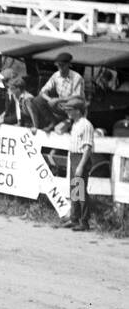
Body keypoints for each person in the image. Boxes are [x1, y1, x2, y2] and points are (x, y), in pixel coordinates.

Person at [62, 98, 96, 232]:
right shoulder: (75, 123)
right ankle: (74, 218)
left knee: (80, 189)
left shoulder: (85, 125)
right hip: (74, 156)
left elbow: (87, 147)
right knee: (74, 189)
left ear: (77, 110)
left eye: (70, 110)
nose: (67, 112)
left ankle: (84, 221)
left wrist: (81, 165)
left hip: (81, 157)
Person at [30, 51, 84, 131]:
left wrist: (58, 100)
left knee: (74, 102)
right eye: (58, 66)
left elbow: (77, 96)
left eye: (62, 66)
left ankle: (71, 123)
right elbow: (43, 91)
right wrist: (50, 100)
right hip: (60, 105)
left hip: (72, 106)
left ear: (68, 65)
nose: (60, 69)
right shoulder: (56, 75)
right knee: (37, 100)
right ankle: (52, 121)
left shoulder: (76, 77)